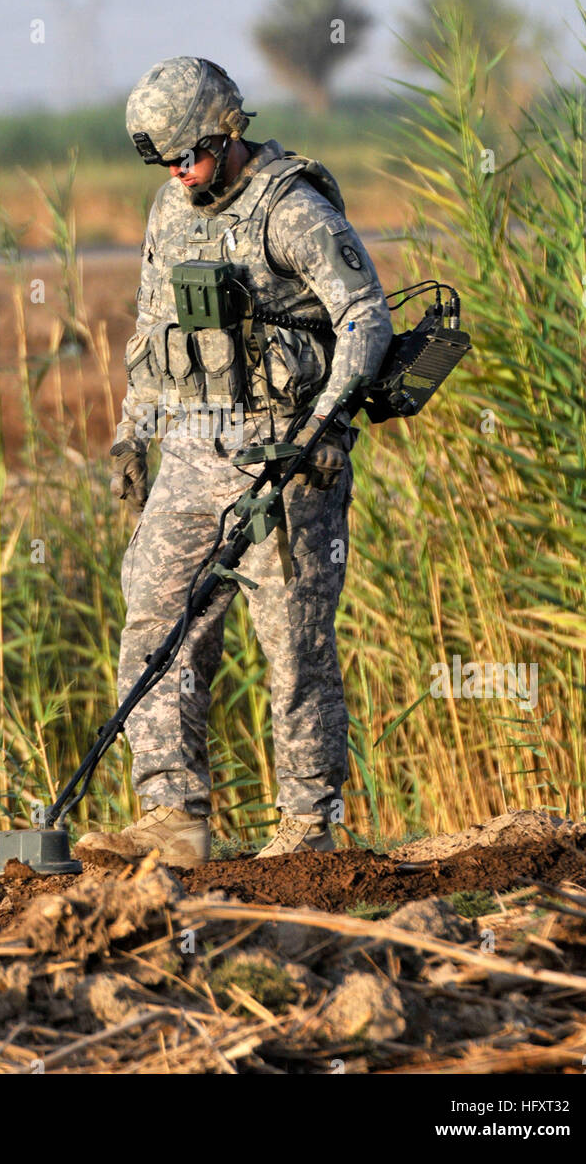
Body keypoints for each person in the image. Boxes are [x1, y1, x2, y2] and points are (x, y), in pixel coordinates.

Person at [76, 57, 392, 867]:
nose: (179, 173)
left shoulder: (289, 208)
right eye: (164, 161)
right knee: (155, 623)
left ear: (227, 131)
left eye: (188, 155)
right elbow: (152, 334)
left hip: (284, 458)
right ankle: (172, 817)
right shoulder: (167, 210)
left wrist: (322, 427)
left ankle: (305, 828)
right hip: (189, 452)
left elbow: (364, 319)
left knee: (292, 644)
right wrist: (129, 432)